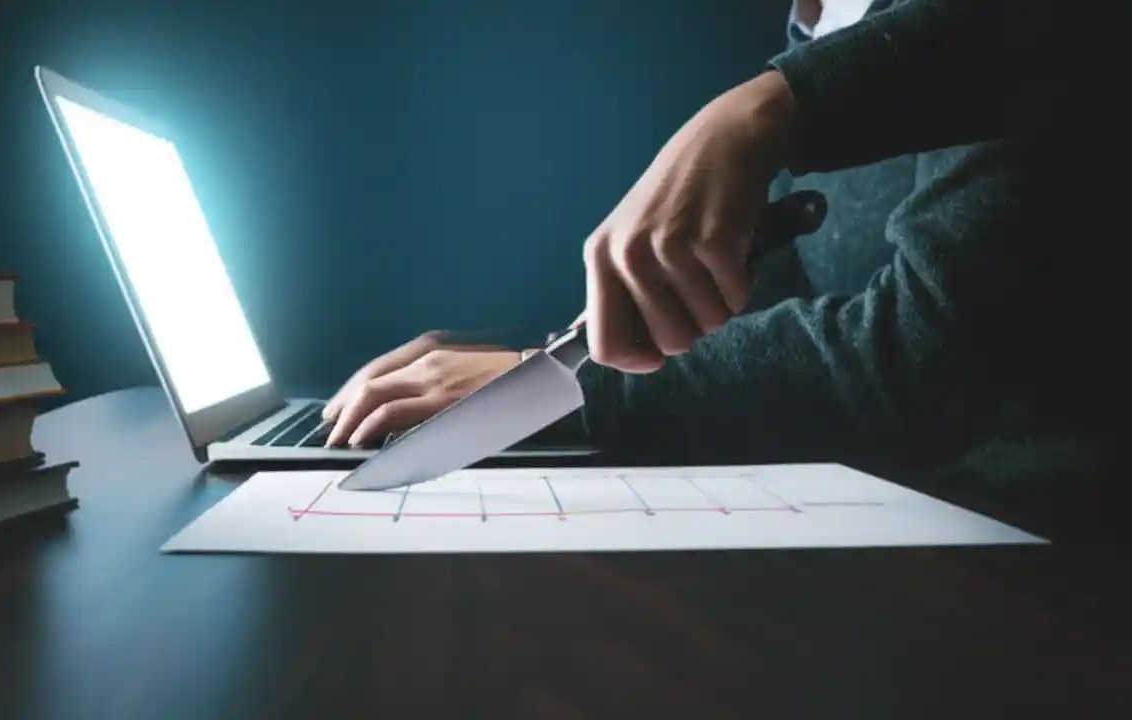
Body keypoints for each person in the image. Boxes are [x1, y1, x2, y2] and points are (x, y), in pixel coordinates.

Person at [320, 0, 1122, 527]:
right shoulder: (829, 23)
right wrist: (542, 362)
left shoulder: (1020, 38)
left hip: (1060, 581)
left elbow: (926, 355)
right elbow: (775, 301)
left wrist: (570, 392)